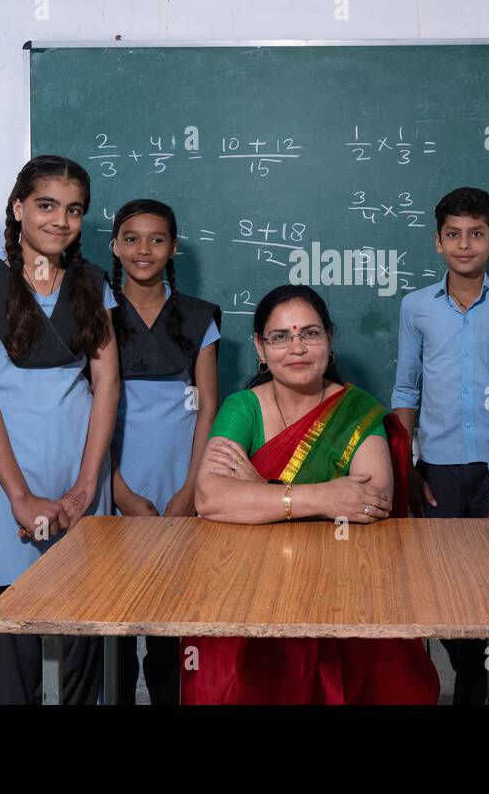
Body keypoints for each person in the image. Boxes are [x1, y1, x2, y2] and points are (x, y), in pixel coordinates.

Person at [185, 285, 440, 704]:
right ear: (260, 348)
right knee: (232, 676)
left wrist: (257, 492)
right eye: (280, 337)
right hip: (251, 587)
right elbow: (210, 497)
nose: (297, 347)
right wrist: (321, 498)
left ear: (330, 340)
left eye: (310, 333)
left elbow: (370, 499)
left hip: (347, 587)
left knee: (388, 677)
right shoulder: (242, 408)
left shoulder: (357, 410)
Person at [0, 155, 120, 704]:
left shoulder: (92, 284)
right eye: (46, 205)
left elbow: (107, 386)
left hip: (81, 475)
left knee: (82, 637)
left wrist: (85, 487)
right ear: (18, 209)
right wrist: (18, 494)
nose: (60, 220)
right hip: (13, 481)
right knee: (12, 640)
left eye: (73, 210)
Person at [391, 186, 489, 704]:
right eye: (454, 235)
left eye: (476, 235)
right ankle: (453, 677)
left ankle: (474, 690)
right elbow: (406, 386)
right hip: (437, 469)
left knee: (487, 586)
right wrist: (405, 465)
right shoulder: (416, 307)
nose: (465, 245)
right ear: (438, 242)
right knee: (438, 586)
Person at [107, 198, 220, 704]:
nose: (144, 249)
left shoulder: (198, 318)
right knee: (112, 626)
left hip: (180, 487)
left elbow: (208, 408)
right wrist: (118, 491)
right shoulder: (97, 316)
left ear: (174, 248)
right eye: (131, 238)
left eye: (156, 239)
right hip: (114, 488)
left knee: (172, 630)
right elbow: (88, 410)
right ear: (114, 247)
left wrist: (191, 490)